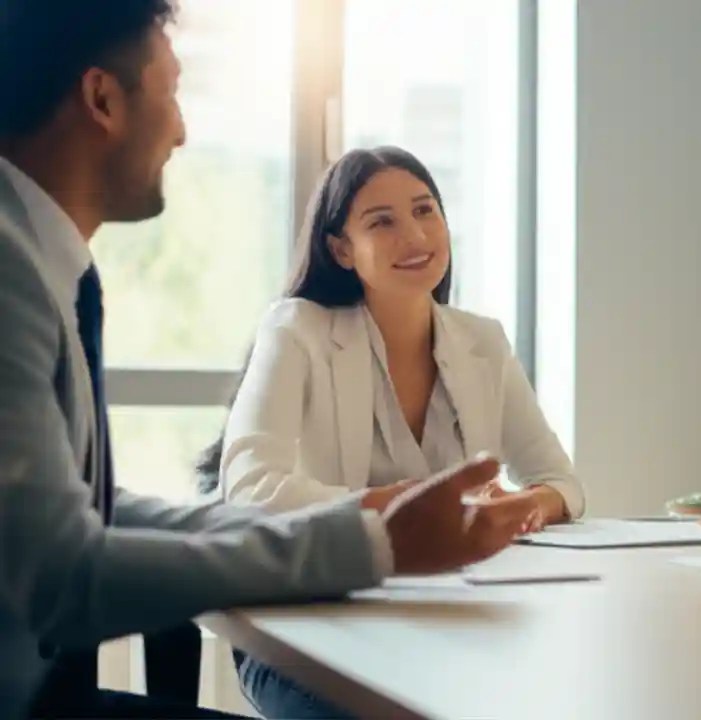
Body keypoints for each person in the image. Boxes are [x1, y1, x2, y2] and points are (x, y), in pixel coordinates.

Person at [0, 2, 535, 717]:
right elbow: (62, 575)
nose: (184, 131)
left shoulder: (38, 264)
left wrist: (362, 532)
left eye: (426, 209)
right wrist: (374, 546)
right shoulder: (11, 275)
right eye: (172, 91)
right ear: (102, 99)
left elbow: (96, 515)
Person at [201, 145, 584, 718]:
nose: (415, 235)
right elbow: (253, 490)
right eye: (382, 222)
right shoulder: (298, 329)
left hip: (442, 618)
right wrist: (411, 510)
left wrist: (528, 505)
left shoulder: (482, 340)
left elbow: (561, 483)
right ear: (340, 249)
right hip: (308, 628)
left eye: (426, 210)